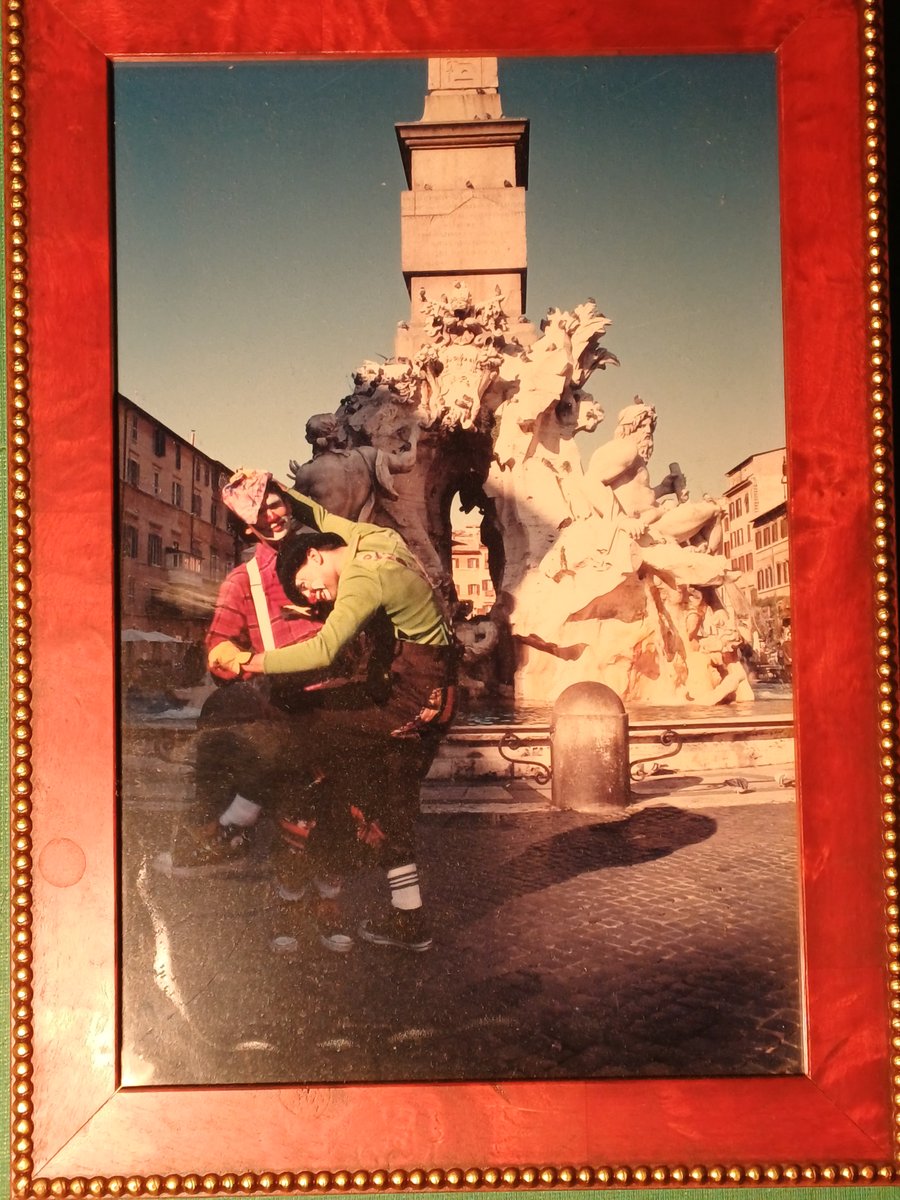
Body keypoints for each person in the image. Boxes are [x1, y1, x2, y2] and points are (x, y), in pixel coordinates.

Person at [237, 489, 457, 952]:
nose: (312, 595)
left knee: (300, 725)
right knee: (390, 803)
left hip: (412, 700)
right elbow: (313, 511)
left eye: (306, 583)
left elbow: (321, 649)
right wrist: (274, 487)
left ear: (315, 554)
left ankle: (244, 812)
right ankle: (408, 922)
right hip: (432, 694)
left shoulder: (361, 577)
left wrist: (248, 662)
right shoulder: (372, 537)